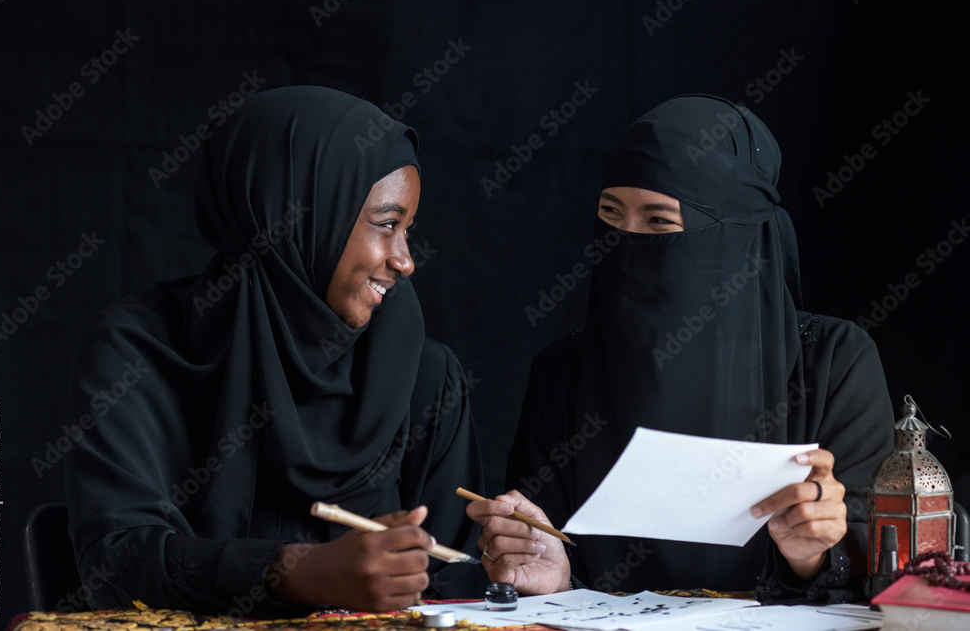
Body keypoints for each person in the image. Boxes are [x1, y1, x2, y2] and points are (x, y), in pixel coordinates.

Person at [65, 86, 484, 615]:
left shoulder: (425, 375)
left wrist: (510, 566)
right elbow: (117, 564)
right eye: (386, 224)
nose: (405, 261)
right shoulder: (134, 354)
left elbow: (460, 585)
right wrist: (296, 573)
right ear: (292, 217)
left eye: (408, 230)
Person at [467, 94, 895, 603]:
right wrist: (550, 574)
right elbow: (546, 557)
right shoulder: (562, 375)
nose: (626, 241)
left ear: (737, 234)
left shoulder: (832, 364)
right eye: (611, 215)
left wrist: (814, 555)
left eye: (658, 222)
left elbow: (884, 567)